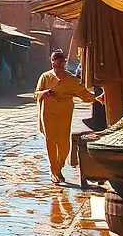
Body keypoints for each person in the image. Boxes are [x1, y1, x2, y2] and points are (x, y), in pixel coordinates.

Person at [36, 49, 99, 184]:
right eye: (54, 61)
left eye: (60, 62)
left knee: (64, 145)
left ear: (64, 63)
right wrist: (45, 93)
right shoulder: (45, 77)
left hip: (64, 114)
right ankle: (54, 172)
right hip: (48, 115)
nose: (57, 64)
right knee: (50, 142)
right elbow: (36, 93)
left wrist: (99, 99)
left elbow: (85, 95)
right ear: (51, 62)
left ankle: (59, 167)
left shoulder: (71, 80)